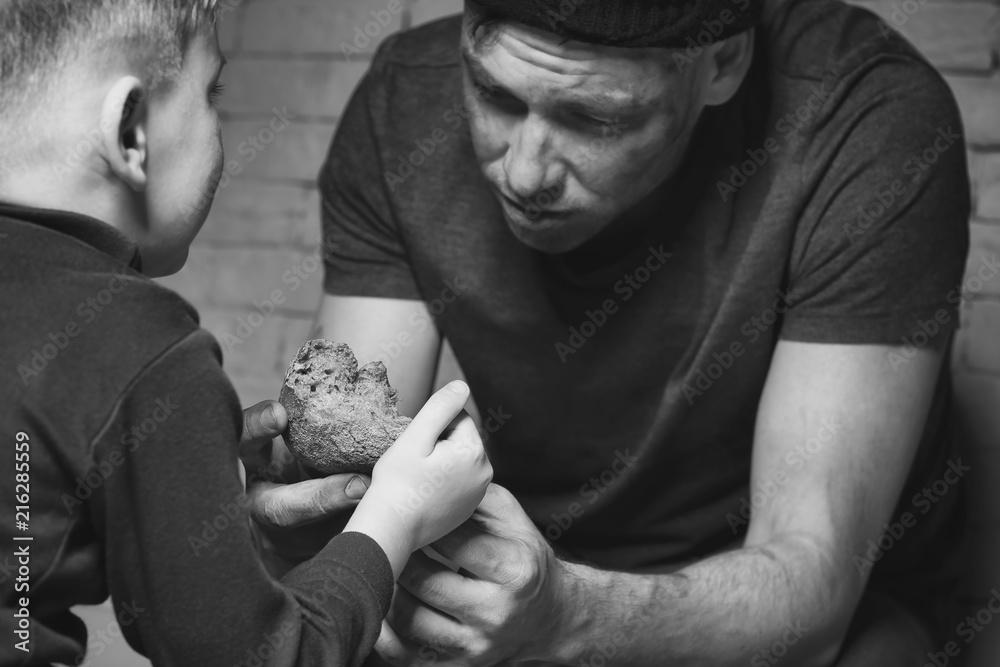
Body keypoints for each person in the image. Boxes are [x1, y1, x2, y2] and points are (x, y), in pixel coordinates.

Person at [247, 0, 974, 664]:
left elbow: (812, 600)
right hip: (524, 573)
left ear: (720, 63)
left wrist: (569, 617)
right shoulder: (403, 103)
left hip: (787, 618)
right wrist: (303, 521)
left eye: (595, 119)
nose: (526, 174)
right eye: (493, 95)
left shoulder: (867, 118)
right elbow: (356, 480)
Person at [0, 2, 492, 665]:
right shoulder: (145, 347)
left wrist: (176, 474)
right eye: (212, 94)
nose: (219, 122)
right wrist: (399, 510)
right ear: (131, 131)